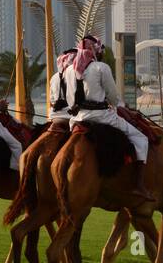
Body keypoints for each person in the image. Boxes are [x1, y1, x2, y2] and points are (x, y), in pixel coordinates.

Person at [66, 35, 152, 201]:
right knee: (141, 139)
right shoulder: (101, 67)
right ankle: (139, 185)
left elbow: (70, 99)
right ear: (96, 50)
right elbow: (112, 97)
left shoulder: (69, 70)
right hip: (102, 117)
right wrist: (113, 104)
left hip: (76, 119)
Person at [46, 48, 77, 125]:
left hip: (54, 117)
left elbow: (52, 100)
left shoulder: (54, 77)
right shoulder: (78, 76)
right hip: (72, 117)